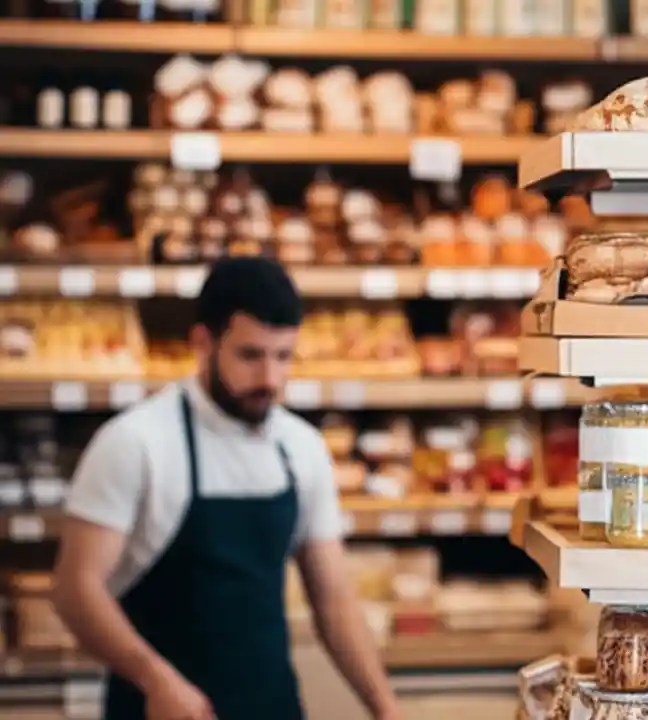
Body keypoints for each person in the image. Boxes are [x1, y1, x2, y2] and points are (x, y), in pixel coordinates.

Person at [52, 258, 401, 720]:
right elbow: (75, 589)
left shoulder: (301, 449)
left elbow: (333, 598)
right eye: (251, 355)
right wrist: (155, 678)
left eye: (283, 357)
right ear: (203, 342)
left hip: (272, 706)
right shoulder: (137, 443)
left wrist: (385, 707)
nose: (271, 380)